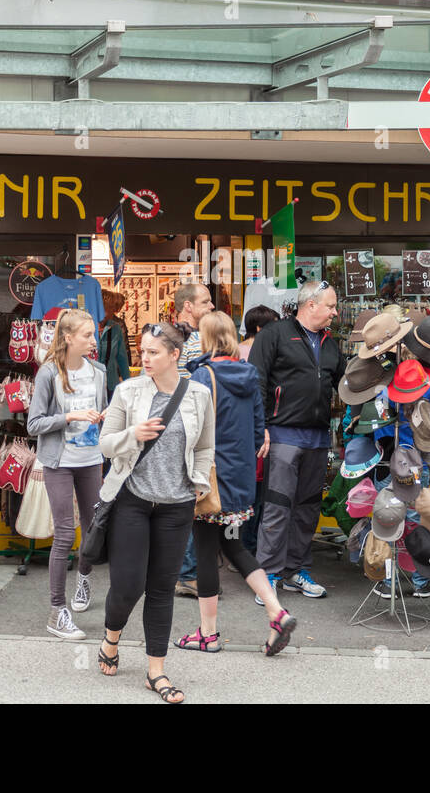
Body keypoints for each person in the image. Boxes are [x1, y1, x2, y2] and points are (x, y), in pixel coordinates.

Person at [97, 322, 215, 704]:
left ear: (175, 356)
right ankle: (111, 638)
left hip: (177, 504)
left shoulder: (198, 394)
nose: (144, 359)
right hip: (132, 499)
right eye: (143, 352)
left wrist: (200, 484)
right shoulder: (127, 390)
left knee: (162, 589)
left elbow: (205, 446)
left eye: (153, 353)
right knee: (129, 584)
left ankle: (156, 672)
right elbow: (105, 445)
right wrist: (135, 434)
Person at [177, 312, 296, 655]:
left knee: (204, 551)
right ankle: (276, 611)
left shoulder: (202, 375)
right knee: (233, 546)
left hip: (209, 481)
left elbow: (192, 429)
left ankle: (208, 633)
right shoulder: (250, 374)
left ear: (206, 339)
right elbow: (260, 432)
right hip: (240, 481)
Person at [248, 280, 344, 601]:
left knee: (307, 508)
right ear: (310, 304)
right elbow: (256, 380)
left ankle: (296, 570)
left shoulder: (331, 344)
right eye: (330, 305)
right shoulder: (274, 335)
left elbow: (347, 382)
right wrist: (259, 426)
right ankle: (269, 574)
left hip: (317, 437)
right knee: (277, 506)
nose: (335, 311)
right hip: (282, 434)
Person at [27, 309, 107, 641]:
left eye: (93, 334)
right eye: (87, 335)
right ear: (68, 337)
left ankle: (84, 579)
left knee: (94, 530)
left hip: (92, 459)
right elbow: (34, 424)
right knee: (63, 534)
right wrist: (69, 416)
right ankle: (56, 611)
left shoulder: (99, 372)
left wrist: (104, 419)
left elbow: (106, 411)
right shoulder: (48, 374)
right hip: (59, 461)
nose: (93, 340)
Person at [172, 281, 214, 595]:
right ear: (188, 306)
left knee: (192, 499)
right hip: (186, 429)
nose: (211, 307)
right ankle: (186, 573)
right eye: (206, 301)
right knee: (192, 500)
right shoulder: (187, 339)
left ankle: (186, 570)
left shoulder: (171, 337)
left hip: (192, 429)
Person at [238, 305, 280, 555]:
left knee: (256, 490)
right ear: (259, 328)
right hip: (257, 425)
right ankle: (248, 546)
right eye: (273, 325)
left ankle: (246, 546)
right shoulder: (251, 351)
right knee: (257, 490)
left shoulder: (240, 350)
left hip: (252, 426)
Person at [98, 289, 132, 399]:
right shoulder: (87, 327)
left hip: (111, 384)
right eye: (111, 307)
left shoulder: (115, 328)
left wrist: (128, 383)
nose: (114, 310)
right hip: (91, 385)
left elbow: (122, 358)